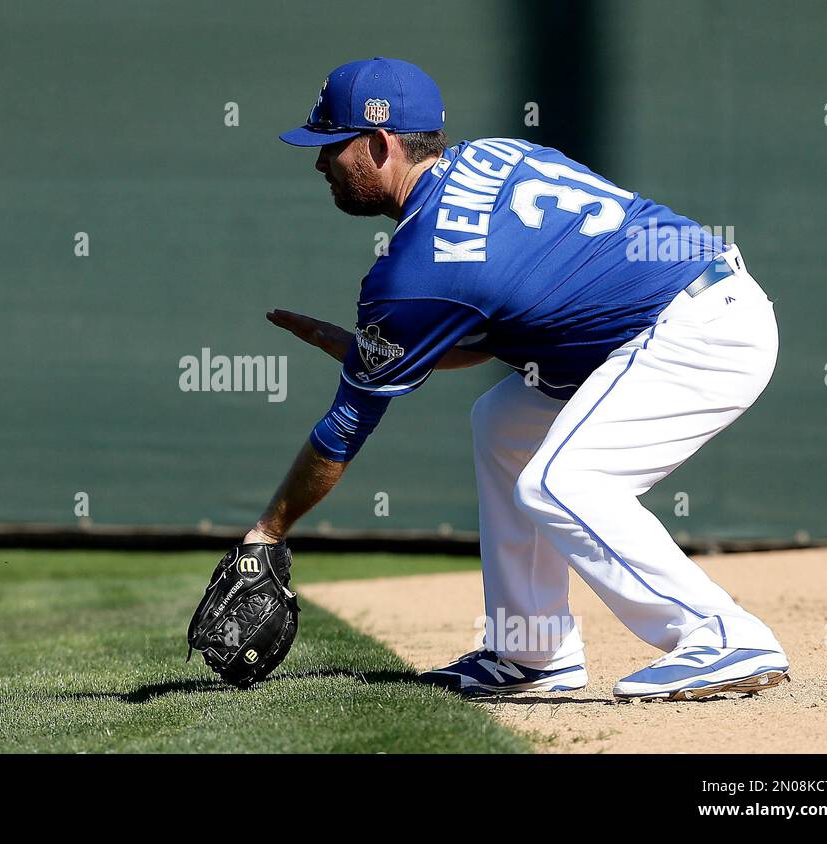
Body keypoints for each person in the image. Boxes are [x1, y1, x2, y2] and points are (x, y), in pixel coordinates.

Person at [249, 57, 789, 701]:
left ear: (378, 143)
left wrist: (268, 532)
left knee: (563, 482)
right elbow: (491, 328)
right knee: (504, 424)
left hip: (695, 332)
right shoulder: (497, 153)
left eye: (330, 146)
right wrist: (379, 354)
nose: (319, 163)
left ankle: (723, 635)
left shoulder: (415, 270)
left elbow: (342, 432)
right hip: (687, 308)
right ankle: (534, 653)